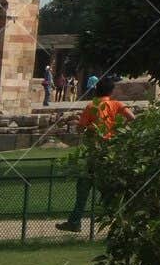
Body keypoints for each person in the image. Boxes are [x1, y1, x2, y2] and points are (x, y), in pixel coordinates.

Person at [56, 77, 133, 232]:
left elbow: (80, 129)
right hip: (112, 151)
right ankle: (121, 221)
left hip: (96, 151)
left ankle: (75, 221)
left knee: (84, 186)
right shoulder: (116, 105)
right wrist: (118, 130)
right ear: (111, 91)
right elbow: (132, 118)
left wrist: (85, 124)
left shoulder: (91, 106)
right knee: (108, 188)